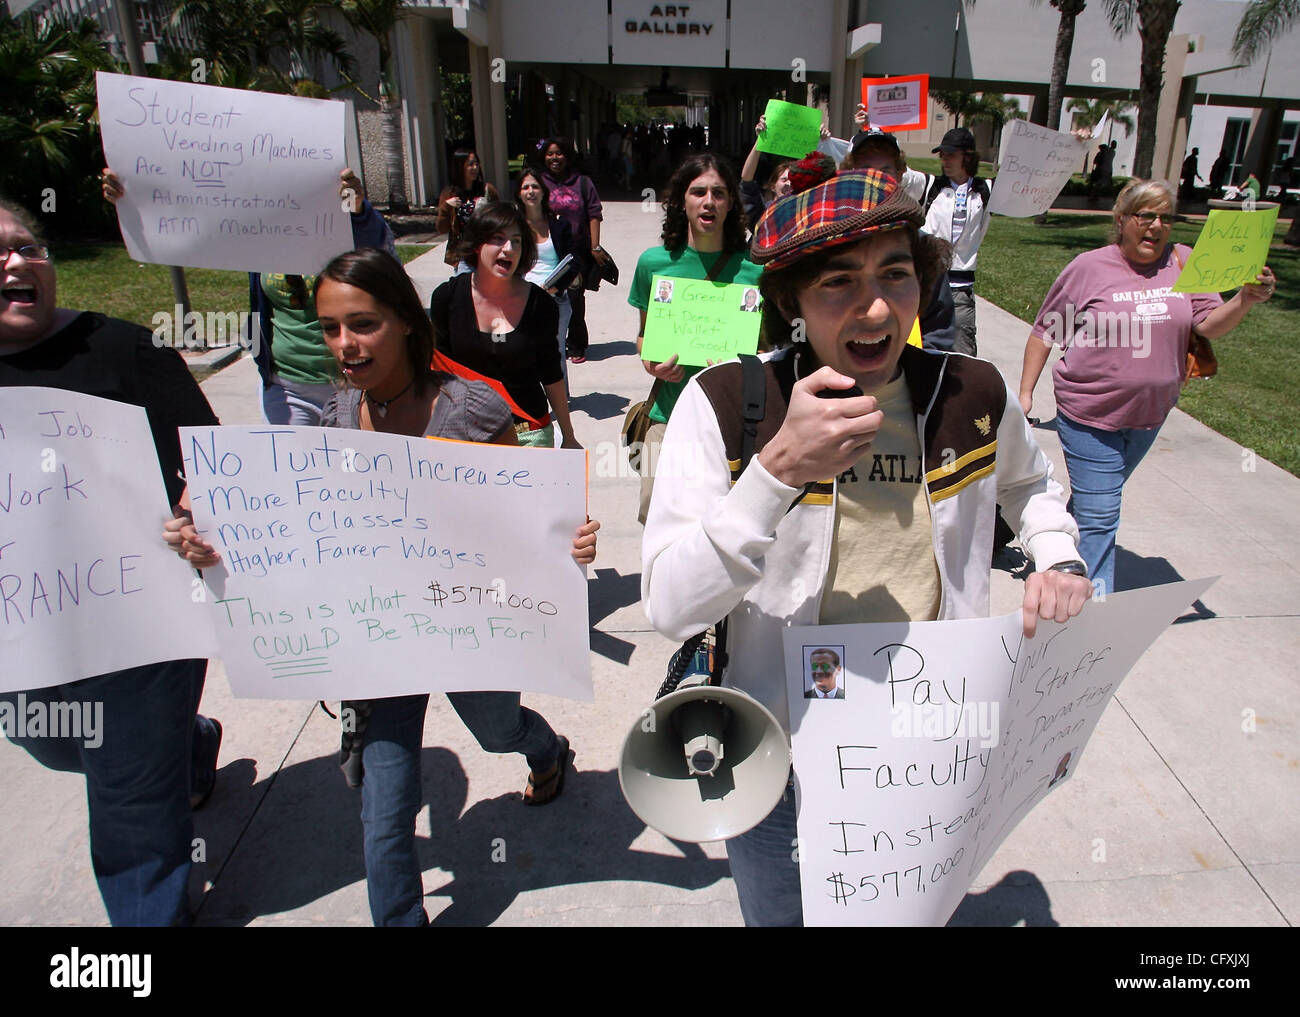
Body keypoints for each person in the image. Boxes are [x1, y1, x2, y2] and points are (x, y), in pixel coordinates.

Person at [641, 166, 1092, 926]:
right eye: (838, 282)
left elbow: (1033, 485)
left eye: (896, 272)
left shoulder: (971, 393)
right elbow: (670, 603)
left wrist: (1058, 554)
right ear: (790, 300)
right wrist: (776, 470)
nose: (876, 305)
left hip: (927, 739)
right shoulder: (724, 406)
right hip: (776, 751)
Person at [167, 247, 599, 926]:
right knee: (384, 799)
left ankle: (545, 747)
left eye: (362, 324)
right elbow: (300, 536)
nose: (345, 344)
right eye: (330, 328)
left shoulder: (473, 409)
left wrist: (564, 543)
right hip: (382, 641)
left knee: (496, 729)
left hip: (465, 628)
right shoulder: (337, 418)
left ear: (403, 320)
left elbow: (524, 521)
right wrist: (211, 544)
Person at [0, 198, 222, 926]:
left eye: (29, 247)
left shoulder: (123, 348)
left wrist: (193, 511)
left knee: (127, 791)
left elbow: (208, 456)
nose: (17, 262)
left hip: (141, 624)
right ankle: (187, 743)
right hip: (24, 634)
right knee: (60, 745)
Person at [1018, 179, 1276, 596]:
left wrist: (1244, 299)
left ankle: (1053, 540)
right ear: (1122, 221)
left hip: (1149, 416)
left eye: (1165, 218)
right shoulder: (1089, 268)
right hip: (1089, 413)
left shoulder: (1184, 262)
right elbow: (1046, 330)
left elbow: (1208, 323)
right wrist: (1025, 393)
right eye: (1145, 216)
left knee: (1093, 504)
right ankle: (1094, 610)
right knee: (1102, 514)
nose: (1156, 226)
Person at [101, 167, 395, 426]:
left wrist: (357, 211)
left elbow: (379, 254)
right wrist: (132, 200)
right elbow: (189, 227)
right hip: (288, 389)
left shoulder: (343, 224)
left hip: (355, 385)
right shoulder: (257, 231)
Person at [629, 151, 763, 524]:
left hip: (732, 423)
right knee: (655, 516)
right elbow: (643, 337)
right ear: (682, 201)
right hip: (667, 418)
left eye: (719, 193)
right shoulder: (654, 263)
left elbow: (767, 348)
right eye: (698, 192)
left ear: (731, 202)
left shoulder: (754, 270)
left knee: (727, 524)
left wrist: (740, 366)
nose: (709, 202)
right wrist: (651, 363)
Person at [430, 201, 581, 449]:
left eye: (517, 241)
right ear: (477, 245)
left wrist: (568, 435)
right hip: (464, 435)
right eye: (498, 239)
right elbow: (438, 373)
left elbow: (551, 373)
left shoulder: (540, 304)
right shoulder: (446, 298)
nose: (508, 249)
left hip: (528, 433)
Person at [923, 127, 991, 357]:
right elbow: (894, 171)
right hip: (929, 285)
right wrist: (870, 127)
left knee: (963, 354)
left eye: (951, 154)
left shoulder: (985, 190)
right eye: (942, 154)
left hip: (961, 290)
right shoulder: (931, 187)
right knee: (926, 351)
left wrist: (1078, 143)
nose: (945, 160)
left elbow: (1029, 184)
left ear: (967, 156)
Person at [539, 137, 607, 364]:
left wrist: (595, 246)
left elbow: (594, 213)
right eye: (550, 154)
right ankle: (551, 339)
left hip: (576, 250)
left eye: (559, 153)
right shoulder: (539, 182)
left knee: (575, 297)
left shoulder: (583, 183)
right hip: (548, 249)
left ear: (567, 156)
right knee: (548, 294)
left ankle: (577, 342)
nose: (554, 158)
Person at [514, 167, 584, 374]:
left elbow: (574, 262)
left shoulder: (559, 225)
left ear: (543, 192)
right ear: (519, 193)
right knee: (524, 351)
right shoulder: (513, 227)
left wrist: (554, 289)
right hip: (522, 298)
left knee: (556, 352)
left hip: (555, 298)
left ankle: (561, 400)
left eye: (535, 186)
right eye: (525, 187)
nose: (530, 191)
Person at [437, 149, 499, 271]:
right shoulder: (449, 194)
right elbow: (441, 229)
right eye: (470, 164)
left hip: (486, 251)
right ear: (460, 167)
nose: (475, 167)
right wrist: (446, 207)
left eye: (476, 163)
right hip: (463, 256)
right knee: (464, 288)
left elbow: (501, 218)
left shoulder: (487, 190)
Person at [739, 114, 795, 230]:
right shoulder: (763, 212)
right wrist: (760, 142)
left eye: (792, 180)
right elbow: (746, 180)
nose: (788, 184)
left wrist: (823, 143)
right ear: (773, 186)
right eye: (784, 179)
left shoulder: (802, 213)